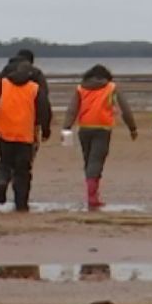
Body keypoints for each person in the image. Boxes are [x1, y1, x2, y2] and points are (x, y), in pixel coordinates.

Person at [61, 64, 138, 208]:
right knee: (96, 162)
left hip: (84, 128)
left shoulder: (81, 88)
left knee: (88, 160)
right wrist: (132, 128)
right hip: (103, 128)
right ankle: (92, 197)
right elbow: (125, 109)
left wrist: (66, 127)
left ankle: (93, 194)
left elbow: (72, 110)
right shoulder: (111, 87)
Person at [0, 61, 51, 211]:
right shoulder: (35, 89)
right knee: (23, 170)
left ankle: (2, 182)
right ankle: (21, 203)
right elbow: (44, 110)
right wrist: (45, 130)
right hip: (25, 134)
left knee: (4, 163)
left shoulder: (2, 84)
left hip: (4, 132)